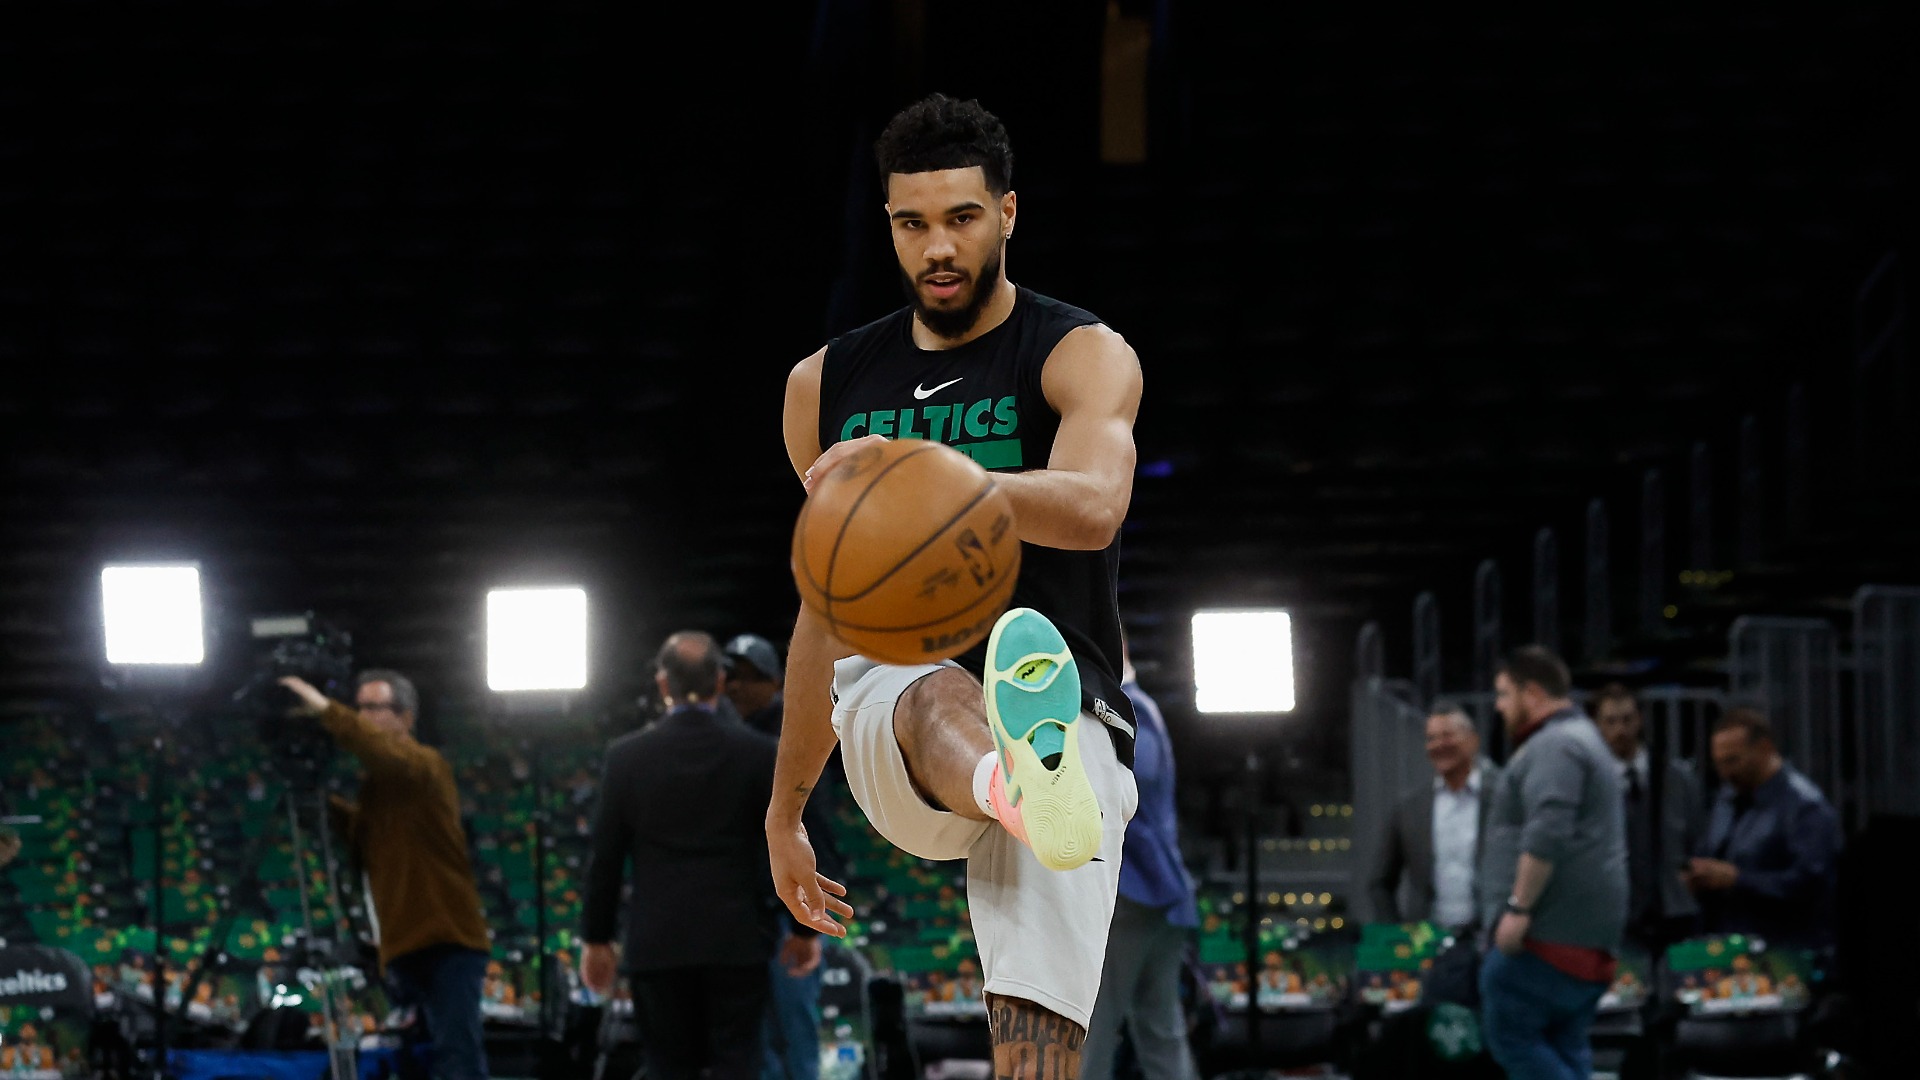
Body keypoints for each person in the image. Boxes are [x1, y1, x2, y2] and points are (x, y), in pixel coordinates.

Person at [767, 91, 1143, 1080]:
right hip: (893, 703)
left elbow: (1096, 504)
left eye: (962, 217)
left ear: (1007, 214)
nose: (937, 245)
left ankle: (1029, 780)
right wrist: (784, 811)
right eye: (911, 222)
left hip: (1067, 698)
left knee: (1039, 1030)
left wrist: (931, 483)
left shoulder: (1079, 353)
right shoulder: (824, 385)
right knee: (934, 686)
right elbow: (823, 599)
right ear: (887, 224)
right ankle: (1006, 780)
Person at [581, 632, 824, 1080]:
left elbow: (606, 857)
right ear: (718, 680)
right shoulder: (757, 755)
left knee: (669, 1069)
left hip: (658, 946)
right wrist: (802, 929)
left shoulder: (626, 759)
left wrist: (596, 940)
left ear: (662, 684)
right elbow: (790, 839)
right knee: (740, 1066)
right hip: (737, 943)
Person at [279, 670, 492, 1080]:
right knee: (416, 1059)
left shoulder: (425, 766)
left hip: (447, 941)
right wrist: (319, 801)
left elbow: (382, 754)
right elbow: (366, 838)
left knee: (456, 1056)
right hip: (403, 945)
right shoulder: (378, 790)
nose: (363, 717)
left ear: (406, 718)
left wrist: (325, 709)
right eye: (359, 709)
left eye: (373, 708)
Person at [1478, 646, 1627, 1080]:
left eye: (1505, 695)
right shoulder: (1582, 739)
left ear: (1534, 692)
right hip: (1580, 936)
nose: (1500, 708)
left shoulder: (1555, 745)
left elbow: (1548, 832)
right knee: (1566, 1046)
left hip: (1544, 937)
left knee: (1513, 1040)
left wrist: (1518, 908)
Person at [1081, 644, 1199, 1080]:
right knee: (1159, 1030)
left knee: (1094, 1028)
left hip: (1134, 892)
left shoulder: (1128, 706)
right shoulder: (1131, 704)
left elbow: (1135, 786)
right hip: (1157, 894)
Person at [722, 632, 835, 1080]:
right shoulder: (733, 739)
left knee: (792, 1032)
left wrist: (804, 925)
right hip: (748, 918)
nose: (736, 686)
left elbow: (815, 830)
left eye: (749, 677)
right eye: (730, 676)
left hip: (785, 915)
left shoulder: (792, 741)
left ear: (775, 683)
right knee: (759, 1041)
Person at [1687, 707, 1842, 952]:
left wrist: (1738, 880)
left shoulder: (1804, 806)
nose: (1726, 773)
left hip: (1788, 952)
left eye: (1733, 760)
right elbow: (1709, 849)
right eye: (1719, 764)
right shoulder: (1728, 796)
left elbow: (1810, 885)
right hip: (1729, 949)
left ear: (1765, 749)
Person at [1590, 683, 1704, 952]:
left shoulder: (1676, 778)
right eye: (1611, 722)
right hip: (1617, 913)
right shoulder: (1591, 785)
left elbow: (1697, 836)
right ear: (1598, 726)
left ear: (1640, 720)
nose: (1621, 730)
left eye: (1628, 720)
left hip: (1675, 909)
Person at [1366, 706, 1500, 931]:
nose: (1439, 745)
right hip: (1428, 942)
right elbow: (1380, 882)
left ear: (1473, 741)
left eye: (1447, 736)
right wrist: (1397, 935)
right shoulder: (1409, 808)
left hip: (1493, 940)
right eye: (1431, 739)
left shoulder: (1502, 798)